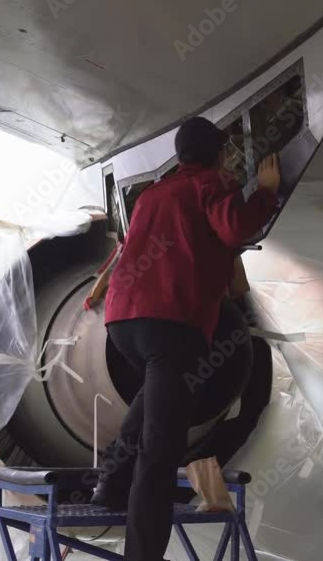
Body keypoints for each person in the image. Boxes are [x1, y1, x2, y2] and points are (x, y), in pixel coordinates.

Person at [95, 116, 281, 561]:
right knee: (160, 453)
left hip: (123, 323)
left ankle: (110, 482)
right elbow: (235, 228)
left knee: (155, 395)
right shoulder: (212, 182)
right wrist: (267, 191)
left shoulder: (152, 194)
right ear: (217, 154)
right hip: (170, 322)